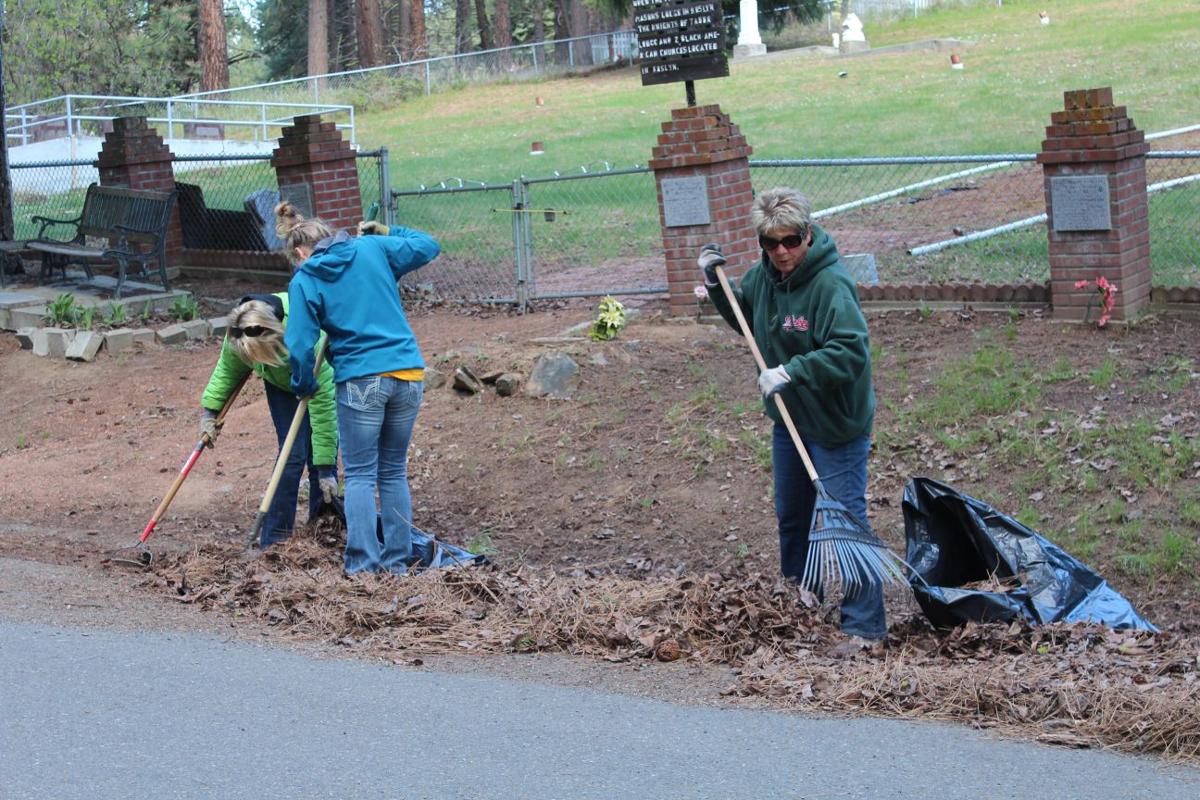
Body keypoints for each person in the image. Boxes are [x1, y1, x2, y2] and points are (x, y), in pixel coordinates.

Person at [699, 187, 886, 643]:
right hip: (791, 421)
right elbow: (747, 315)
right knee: (794, 518)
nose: (782, 252)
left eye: (790, 240)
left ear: (807, 233)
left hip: (837, 423)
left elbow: (850, 351)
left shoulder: (830, 283)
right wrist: (716, 286)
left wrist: (792, 371)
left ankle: (864, 627)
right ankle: (802, 607)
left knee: (845, 522)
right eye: (771, 242)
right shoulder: (764, 278)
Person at [277, 202, 441, 575]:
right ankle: (398, 561)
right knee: (394, 471)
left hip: (360, 379)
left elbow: (300, 346)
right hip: (408, 373)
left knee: (361, 474)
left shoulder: (306, 278)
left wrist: (303, 383)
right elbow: (428, 244)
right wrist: (386, 231)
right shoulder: (373, 248)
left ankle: (363, 565)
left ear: (301, 252)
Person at [199, 293, 339, 547]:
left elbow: (324, 415)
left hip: (317, 378)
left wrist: (327, 468)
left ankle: (324, 531)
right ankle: (275, 539)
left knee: (319, 458)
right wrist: (210, 412)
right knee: (291, 454)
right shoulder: (241, 329)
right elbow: (228, 370)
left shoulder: (307, 336)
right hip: (281, 385)